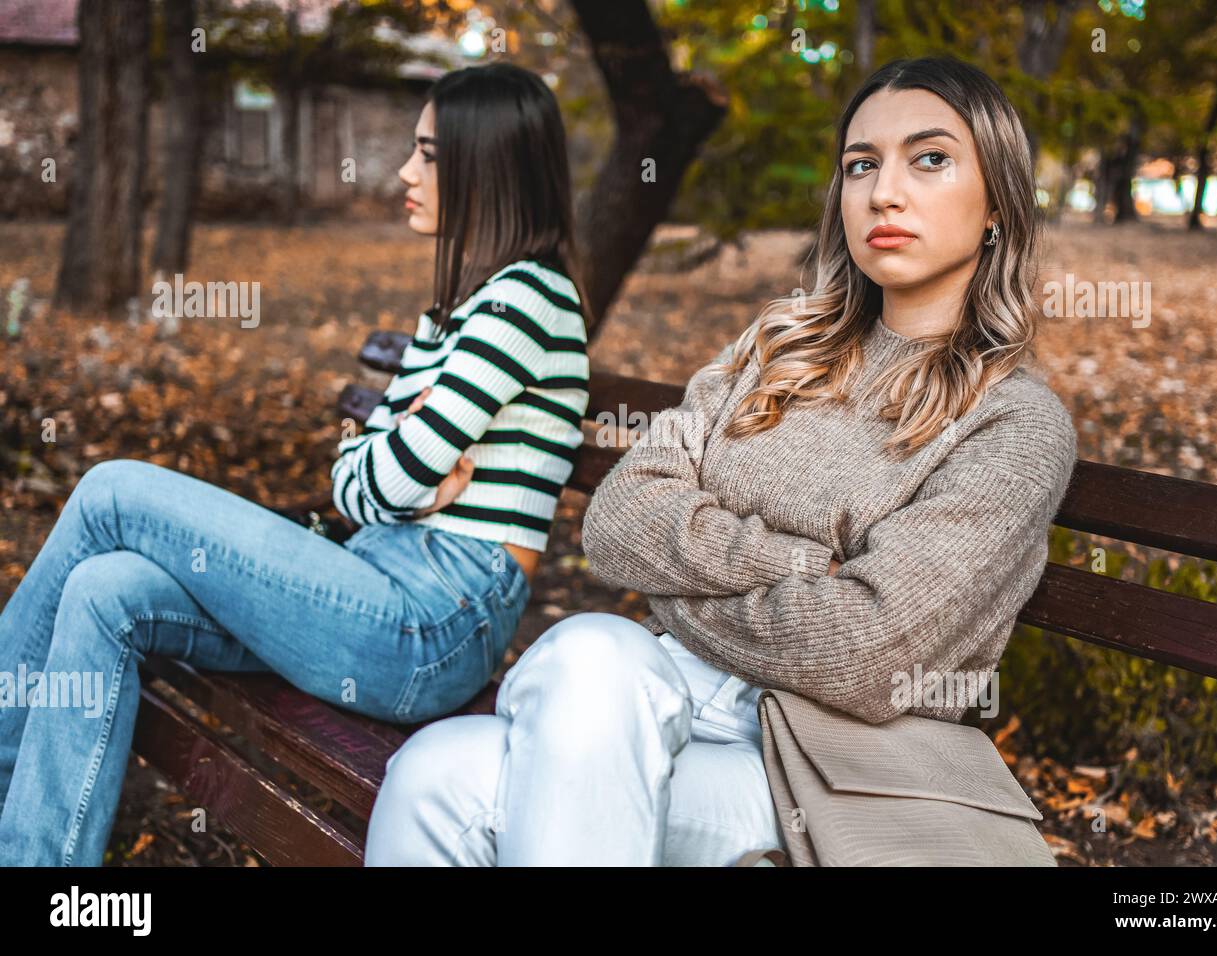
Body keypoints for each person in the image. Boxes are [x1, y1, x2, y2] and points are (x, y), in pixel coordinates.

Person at [363, 55, 1077, 867]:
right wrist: (810, 565)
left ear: (997, 204)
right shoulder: (778, 344)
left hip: (825, 767)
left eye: (931, 159)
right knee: (437, 765)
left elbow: (868, 656)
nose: (884, 192)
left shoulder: (1014, 424)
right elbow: (621, 519)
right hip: (657, 697)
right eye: (861, 165)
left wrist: (677, 591)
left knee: (542, 693)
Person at [0, 62, 588, 867]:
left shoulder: (529, 300)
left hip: (428, 623)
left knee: (111, 492)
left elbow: (381, 479)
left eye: (427, 155)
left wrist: (395, 476)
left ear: (487, 166)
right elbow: (363, 480)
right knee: (107, 591)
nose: (402, 173)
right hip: (373, 581)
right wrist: (403, 477)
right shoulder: (459, 311)